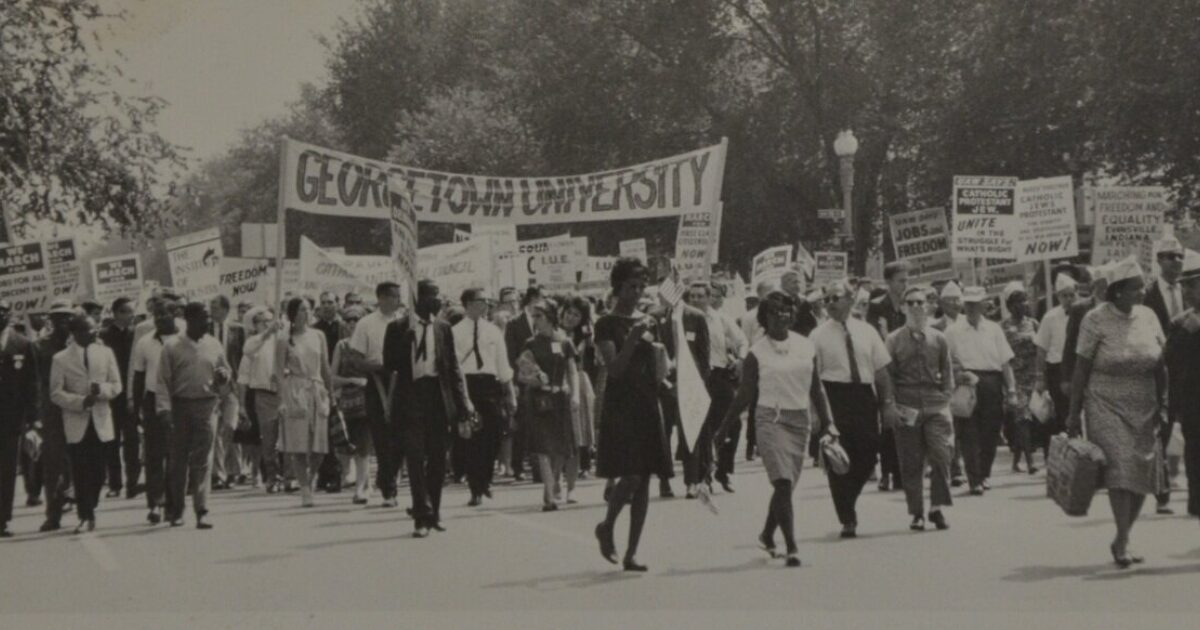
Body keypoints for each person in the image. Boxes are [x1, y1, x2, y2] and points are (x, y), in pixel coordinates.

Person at [715, 291, 837, 567]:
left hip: (800, 420)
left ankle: (767, 533)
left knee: (786, 486)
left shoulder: (806, 346)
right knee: (781, 481)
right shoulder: (757, 353)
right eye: (774, 312)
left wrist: (829, 422)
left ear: (793, 315)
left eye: (786, 311)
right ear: (764, 319)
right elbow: (745, 395)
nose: (781, 316)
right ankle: (792, 546)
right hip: (770, 419)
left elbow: (817, 388)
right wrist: (723, 429)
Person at [1067, 257, 1165, 567]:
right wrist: (1073, 413)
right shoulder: (1095, 319)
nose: (1142, 293)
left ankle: (1123, 535)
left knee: (1141, 473)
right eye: (1136, 288)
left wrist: (1165, 403)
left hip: (1144, 403)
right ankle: (1123, 540)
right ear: (1118, 291)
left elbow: (1161, 363)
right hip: (1104, 402)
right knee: (1120, 469)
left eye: (1143, 287)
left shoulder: (1149, 316)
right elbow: (1081, 368)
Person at [593, 258, 673, 572]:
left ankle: (631, 552)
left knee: (645, 480)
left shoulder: (648, 319)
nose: (637, 293)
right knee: (631, 474)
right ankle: (607, 525)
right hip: (621, 405)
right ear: (618, 287)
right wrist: (632, 336)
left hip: (647, 401)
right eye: (631, 286)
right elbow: (614, 369)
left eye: (641, 287)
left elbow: (656, 361)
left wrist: (661, 362)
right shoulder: (606, 323)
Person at [383, 279, 473, 538]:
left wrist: (462, 405)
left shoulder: (444, 328)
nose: (438, 300)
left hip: (437, 397)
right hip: (410, 397)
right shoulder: (398, 327)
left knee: (437, 458)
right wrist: (407, 339)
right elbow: (390, 364)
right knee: (414, 456)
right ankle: (420, 515)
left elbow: (453, 368)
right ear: (418, 299)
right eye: (433, 295)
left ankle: (434, 510)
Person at [810, 280, 896, 537]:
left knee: (869, 453)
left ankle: (849, 498)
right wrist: (816, 412)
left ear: (850, 299)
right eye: (827, 300)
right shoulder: (818, 335)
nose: (830, 304)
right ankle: (847, 517)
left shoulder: (867, 331)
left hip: (862, 397)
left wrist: (887, 403)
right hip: (833, 396)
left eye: (836, 298)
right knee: (837, 456)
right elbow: (812, 378)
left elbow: (881, 371)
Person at [156, 301, 233, 530]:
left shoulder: (214, 344)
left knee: (203, 460)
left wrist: (224, 376)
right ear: (189, 319)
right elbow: (163, 382)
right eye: (203, 318)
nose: (208, 322)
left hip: (207, 406)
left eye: (209, 318)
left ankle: (202, 510)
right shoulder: (172, 346)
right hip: (180, 407)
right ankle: (177, 510)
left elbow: (226, 372)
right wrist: (164, 410)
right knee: (179, 461)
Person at [886, 287, 955, 530]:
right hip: (906, 403)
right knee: (911, 461)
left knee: (942, 453)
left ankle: (937, 506)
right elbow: (888, 376)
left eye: (920, 302)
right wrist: (891, 405)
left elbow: (947, 370)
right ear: (903, 307)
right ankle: (917, 512)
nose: (916, 307)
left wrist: (946, 396)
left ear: (928, 306)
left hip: (935, 402)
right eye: (910, 303)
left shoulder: (939, 338)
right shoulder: (893, 340)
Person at [50, 313, 123, 533]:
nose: (94, 332)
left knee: (99, 472)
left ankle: (91, 504)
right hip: (76, 422)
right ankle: (85, 514)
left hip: (101, 421)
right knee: (81, 471)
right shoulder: (61, 358)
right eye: (88, 330)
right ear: (76, 333)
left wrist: (101, 391)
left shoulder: (105, 353)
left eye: (94, 328)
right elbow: (55, 393)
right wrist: (80, 402)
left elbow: (116, 385)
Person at [945, 286, 1017, 495]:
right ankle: (974, 478)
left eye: (976, 304)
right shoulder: (952, 331)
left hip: (992, 382)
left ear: (984, 305)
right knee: (968, 433)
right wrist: (956, 376)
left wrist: (1011, 389)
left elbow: (1005, 362)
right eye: (968, 304)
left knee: (991, 432)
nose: (971, 308)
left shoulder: (994, 329)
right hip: (966, 382)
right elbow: (946, 361)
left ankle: (984, 473)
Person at [453, 289, 516, 506]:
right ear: (469, 303)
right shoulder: (455, 331)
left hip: (491, 385)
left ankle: (485, 478)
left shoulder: (493, 331)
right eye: (481, 301)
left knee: (494, 435)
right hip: (467, 385)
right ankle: (475, 487)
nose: (486, 305)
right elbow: (453, 366)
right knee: (471, 439)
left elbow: (502, 363)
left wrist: (510, 393)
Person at [518, 299, 580, 510]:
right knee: (543, 447)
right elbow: (522, 373)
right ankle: (550, 492)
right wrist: (533, 377)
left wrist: (575, 395)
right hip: (539, 400)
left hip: (560, 397)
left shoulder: (565, 341)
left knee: (561, 447)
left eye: (539, 316)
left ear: (551, 317)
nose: (535, 320)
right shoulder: (530, 344)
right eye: (533, 316)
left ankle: (555, 482)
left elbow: (572, 370)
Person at [349, 282, 405, 507]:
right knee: (381, 437)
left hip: (402, 382)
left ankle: (388, 477)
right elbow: (354, 359)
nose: (397, 300)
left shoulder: (406, 321)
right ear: (381, 298)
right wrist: (374, 366)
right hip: (377, 383)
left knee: (401, 437)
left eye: (399, 296)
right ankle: (388, 490)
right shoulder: (366, 324)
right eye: (393, 296)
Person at [275, 297, 334, 508]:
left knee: (319, 446)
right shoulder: (284, 339)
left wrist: (331, 392)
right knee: (298, 444)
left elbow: (326, 366)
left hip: (317, 389)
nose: (306, 314)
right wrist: (283, 398)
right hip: (296, 389)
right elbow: (278, 371)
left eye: (308, 309)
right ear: (292, 314)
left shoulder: (319, 335)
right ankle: (304, 488)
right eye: (301, 310)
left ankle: (310, 478)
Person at [1143, 237, 1184, 515]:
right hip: (1161, 371)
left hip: (1190, 370)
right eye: (1170, 256)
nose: (1176, 261)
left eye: (1179, 256)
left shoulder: (1192, 289)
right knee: (1162, 430)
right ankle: (1162, 493)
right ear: (1158, 260)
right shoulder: (1147, 295)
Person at [130, 302, 179, 524]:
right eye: (156, 314)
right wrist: (138, 406)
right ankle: (155, 503)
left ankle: (173, 504)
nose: (159, 318)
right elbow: (138, 376)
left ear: (174, 314)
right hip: (152, 400)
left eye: (164, 313)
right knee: (154, 455)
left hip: (180, 400)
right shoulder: (144, 342)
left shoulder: (185, 338)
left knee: (176, 455)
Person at [34, 300, 77, 532]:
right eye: (59, 317)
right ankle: (53, 513)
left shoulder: (82, 343)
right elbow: (35, 382)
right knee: (53, 465)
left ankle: (84, 509)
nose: (64, 322)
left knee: (81, 461)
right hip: (52, 412)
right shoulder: (40, 346)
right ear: (51, 320)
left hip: (78, 410)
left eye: (68, 317)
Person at [867, 261, 910, 492]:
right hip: (884, 369)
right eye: (901, 280)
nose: (905, 285)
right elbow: (873, 339)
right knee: (887, 420)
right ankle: (886, 472)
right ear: (889, 282)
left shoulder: (909, 304)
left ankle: (902, 472)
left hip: (905, 368)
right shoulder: (876, 306)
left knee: (905, 421)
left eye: (907, 280)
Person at [1165, 249, 1200, 518]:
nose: (1187, 291)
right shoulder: (1179, 324)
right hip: (1193, 404)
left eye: (1193, 284)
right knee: (1195, 453)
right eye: (1184, 285)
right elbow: (1171, 366)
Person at [0, 300, 38, 537]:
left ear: (10, 315)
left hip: (10, 417)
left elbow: (31, 384)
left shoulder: (22, 344)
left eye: (2, 312)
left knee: (6, 468)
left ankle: (2, 518)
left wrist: (33, 419)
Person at [240, 307, 285, 493]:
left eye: (269, 320)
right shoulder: (253, 344)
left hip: (285, 393)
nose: (266, 323)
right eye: (262, 321)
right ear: (255, 325)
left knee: (288, 436)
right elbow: (242, 378)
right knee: (269, 439)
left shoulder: (281, 340)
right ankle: (272, 477)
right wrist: (242, 406)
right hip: (264, 395)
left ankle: (289, 476)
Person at [330, 306, 372, 504]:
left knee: (364, 445)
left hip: (370, 399)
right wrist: (352, 381)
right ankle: (364, 482)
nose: (352, 323)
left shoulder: (370, 343)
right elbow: (332, 377)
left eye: (356, 319)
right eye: (348, 320)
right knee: (352, 444)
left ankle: (361, 488)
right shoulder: (342, 346)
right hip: (348, 401)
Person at [98, 297, 139, 499]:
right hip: (111, 394)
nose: (129, 316)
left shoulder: (137, 334)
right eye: (125, 311)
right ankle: (115, 483)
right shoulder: (103, 335)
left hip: (131, 394)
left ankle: (133, 482)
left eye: (131, 311)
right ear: (115, 313)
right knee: (111, 442)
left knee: (132, 440)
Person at [504, 286, 543, 482]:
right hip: (522, 379)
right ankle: (517, 465)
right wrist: (514, 382)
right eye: (540, 299)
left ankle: (540, 467)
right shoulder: (514, 324)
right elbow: (510, 355)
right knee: (522, 425)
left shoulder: (546, 319)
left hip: (542, 380)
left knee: (541, 424)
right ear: (532, 299)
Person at [1034, 272, 1078, 442]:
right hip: (1058, 370)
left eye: (1071, 295)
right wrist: (1040, 377)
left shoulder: (1084, 313)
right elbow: (1041, 350)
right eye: (1064, 295)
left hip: (1079, 367)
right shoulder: (1049, 317)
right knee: (1062, 413)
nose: (1069, 299)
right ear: (1058, 297)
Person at [209, 295, 245, 490]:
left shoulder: (238, 330)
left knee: (230, 427)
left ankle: (233, 469)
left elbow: (242, 357)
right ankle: (218, 473)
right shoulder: (204, 330)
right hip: (212, 385)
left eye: (214, 307)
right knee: (215, 430)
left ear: (224, 309)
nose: (211, 310)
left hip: (232, 385)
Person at [560, 297, 597, 480]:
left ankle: (585, 463)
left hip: (579, 378)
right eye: (569, 313)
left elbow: (592, 357)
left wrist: (589, 336)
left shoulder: (585, 335)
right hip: (559, 378)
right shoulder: (555, 331)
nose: (571, 318)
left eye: (576, 315)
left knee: (583, 421)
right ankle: (564, 463)